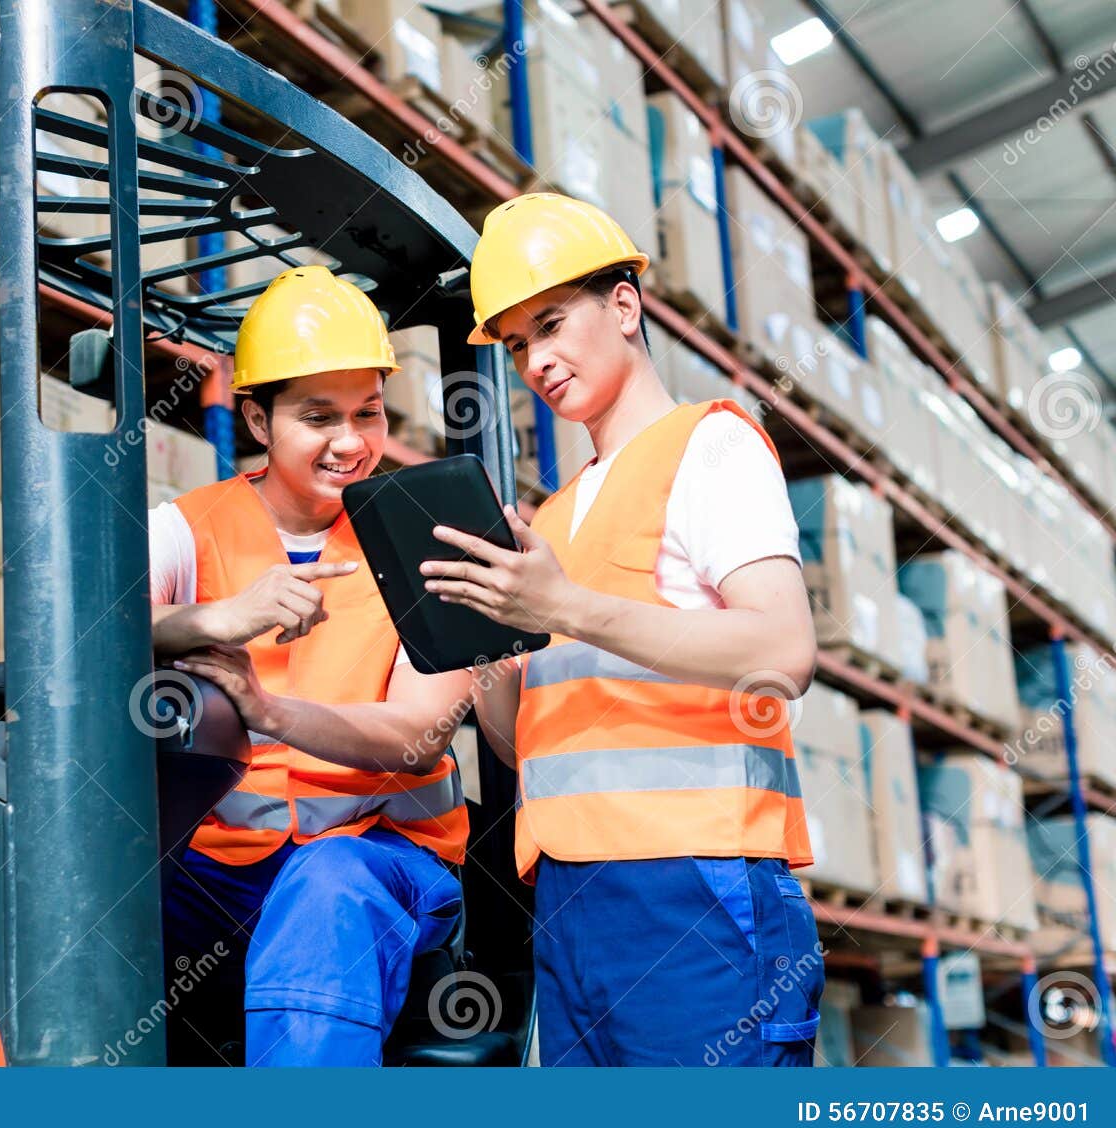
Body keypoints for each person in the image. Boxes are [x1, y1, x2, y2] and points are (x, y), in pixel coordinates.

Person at [420, 193, 822, 1067]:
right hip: (569, 902)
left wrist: (563, 606)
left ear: (627, 306)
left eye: (553, 324)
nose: (537, 359)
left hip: (697, 891)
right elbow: (526, 743)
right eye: (520, 343)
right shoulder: (553, 518)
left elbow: (783, 653)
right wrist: (489, 639)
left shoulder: (710, 447)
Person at [149, 265, 473, 1067]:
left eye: (369, 412)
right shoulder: (187, 529)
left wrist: (272, 712)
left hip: (383, 862)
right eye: (319, 415)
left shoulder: (435, 534)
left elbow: (416, 736)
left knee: (325, 890)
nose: (353, 441)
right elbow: (81, 630)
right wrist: (210, 618)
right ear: (257, 418)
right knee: (82, 894)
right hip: (216, 873)